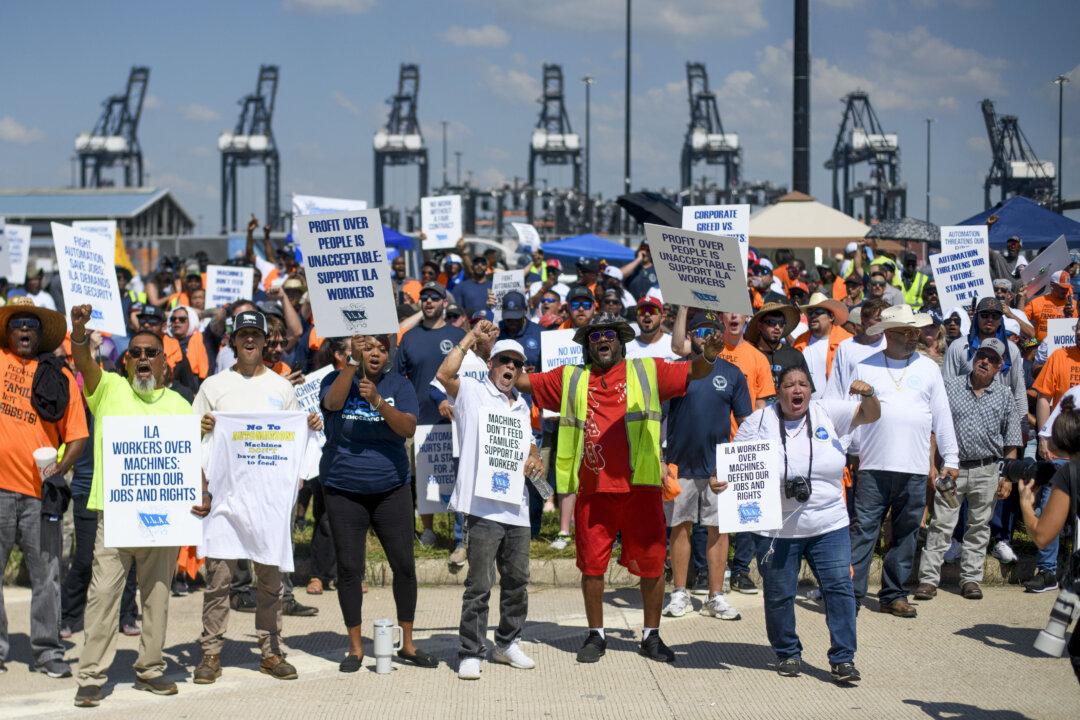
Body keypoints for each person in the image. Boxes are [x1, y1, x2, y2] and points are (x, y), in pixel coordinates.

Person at [519, 312, 725, 664]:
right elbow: (520, 383)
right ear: (587, 344)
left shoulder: (646, 371)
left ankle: (651, 636)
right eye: (595, 335)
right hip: (592, 490)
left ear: (622, 341)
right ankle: (596, 635)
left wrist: (708, 356)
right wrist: (484, 352)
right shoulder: (570, 378)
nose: (603, 339)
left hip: (640, 489)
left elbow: (695, 372)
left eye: (610, 334)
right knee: (592, 567)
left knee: (652, 565)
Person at [69, 303, 195, 708]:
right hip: (116, 515)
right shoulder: (107, 389)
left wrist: (199, 495)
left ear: (164, 363)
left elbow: (190, 461)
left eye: (151, 353)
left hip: (163, 520)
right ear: (125, 363)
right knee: (103, 595)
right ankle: (90, 676)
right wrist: (77, 332)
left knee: (156, 597)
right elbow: (85, 366)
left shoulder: (180, 405)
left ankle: (151, 669)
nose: (143, 358)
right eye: (136, 353)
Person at [191, 310, 323, 684]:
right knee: (218, 581)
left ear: (267, 341)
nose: (249, 340)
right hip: (225, 500)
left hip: (268, 503)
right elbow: (191, 441)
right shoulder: (213, 387)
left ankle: (270, 650)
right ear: (232, 340)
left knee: (270, 582)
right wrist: (198, 432)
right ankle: (211, 653)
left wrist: (310, 426)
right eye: (243, 334)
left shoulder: (282, 388)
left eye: (256, 334)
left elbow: (296, 440)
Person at [733, 366, 880, 683]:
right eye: (788, 384)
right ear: (778, 391)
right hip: (776, 530)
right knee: (778, 594)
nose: (796, 389)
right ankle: (787, 653)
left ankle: (843, 659)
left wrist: (869, 394)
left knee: (840, 589)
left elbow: (869, 414)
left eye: (802, 384)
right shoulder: (759, 421)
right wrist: (722, 483)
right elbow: (737, 470)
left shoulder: (827, 411)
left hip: (829, 523)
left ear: (811, 390)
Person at [321, 334, 437, 672]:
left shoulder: (398, 384)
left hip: (391, 488)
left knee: (404, 565)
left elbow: (408, 428)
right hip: (344, 489)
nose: (375, 353)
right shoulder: (335, 378)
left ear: (391, 353)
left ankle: (408, 643)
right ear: (356, 351)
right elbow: (331, 404)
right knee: (349, 568)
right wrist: (353, 368)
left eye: (382, 348)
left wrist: (378, 403)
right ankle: (355, 648)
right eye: (368, 347)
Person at [436, 325, 542, 679]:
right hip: (482, 508)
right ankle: (471, 650)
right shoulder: (471, 391)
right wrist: (469, 338)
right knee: (479, 583)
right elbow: (444, 373)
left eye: (517, 363)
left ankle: (507, 643)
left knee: (517, 581)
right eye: (504, 360)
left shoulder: (522, 405)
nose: (510, 367)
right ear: (490, 364)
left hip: (517, 508)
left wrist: (534, 455)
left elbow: (528, 444)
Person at [848, 305, 959, 618]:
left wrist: (951, 457)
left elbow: (942, 415)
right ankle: (851, 596)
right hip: (872, 466)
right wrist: (842, 452)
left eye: (915, 332)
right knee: (864, 533)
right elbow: (848, 414)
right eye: (907, 332)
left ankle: (893, 594)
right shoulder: (864, 365)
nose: (914, 337)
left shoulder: (928, 368)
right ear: (887, 334)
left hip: (913, 468)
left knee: (906, 533)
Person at [0, 298, 88, 678]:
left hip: (41, 493)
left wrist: (59, 471)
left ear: (39, 333)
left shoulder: (60, 375)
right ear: (8, 330)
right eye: (17, 323)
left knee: (47, 575)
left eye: (31, 325)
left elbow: (78, 436)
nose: (23, 330)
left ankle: (48, 650)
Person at [661, 312, 752, 621]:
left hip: (718, 468)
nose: (705, 335)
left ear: (720, 335)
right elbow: (659, 419)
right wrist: (661, 460)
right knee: (680, 528)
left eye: (712, 330)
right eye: (699, 330)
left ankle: (716, 596)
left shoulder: (734, 373)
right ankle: (679, 593)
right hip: (679, 464)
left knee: (718, 530)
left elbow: (746, 423)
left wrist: (738, 462)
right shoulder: (676, 370)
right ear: (690, 336)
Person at [915, 338, 1021, 602]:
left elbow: (1011, 439)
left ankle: (971, 579)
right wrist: (931, 464)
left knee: (979, 527)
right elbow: (933, 429)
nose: (984, 361)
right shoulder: (950, 387)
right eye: (981, 355)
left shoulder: (1005, 394)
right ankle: (928, 580)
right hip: (952, 470)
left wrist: (1007, 476)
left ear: (1000, 367)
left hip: (987, 469)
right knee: (941, 524)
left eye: (992, 359)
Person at [394, 281, 467, 547]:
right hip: (419, 419)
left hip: (455, 418)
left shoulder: (458, 335)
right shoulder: (410, 338)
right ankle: (428, 529)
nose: (428, 302)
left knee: (457, 476)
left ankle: (461, 531)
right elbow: (398, 377)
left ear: (444, 303)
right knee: (424, 476)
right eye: (424, 298)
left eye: (434, 298)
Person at [943, 297, 1027, 434]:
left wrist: (1023, 424)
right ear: (977, 317)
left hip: (1000, 424)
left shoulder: (1011, 350)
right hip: (964, 423)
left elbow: (1019, 391)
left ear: (1000, 320)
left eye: (995, 315)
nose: (989, 319)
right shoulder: (958, 346)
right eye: (984, 315)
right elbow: (946, 388)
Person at [792, 293, 852, 399]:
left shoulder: (847, 342)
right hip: (804, 409)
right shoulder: (798, 343)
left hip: (836, 408)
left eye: (819, 312)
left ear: (831, 317)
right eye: (810, 312)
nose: (813, 315)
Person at [744, 302, 809, 394]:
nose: (777, 327)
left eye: (782, 324)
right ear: (759, 325)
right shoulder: (748, 355)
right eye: (772, 323)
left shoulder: (795, 356)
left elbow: (806, 391)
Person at [1025, 271, 1074, 343]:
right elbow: (1021, 319)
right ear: (1052, 285)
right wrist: (1021, 298)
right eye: (1062, 288)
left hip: (1062, 349)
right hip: (1039, 349)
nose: (1065, 291)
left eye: (1067, 288)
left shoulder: (1073, 305)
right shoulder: (1037, 302)